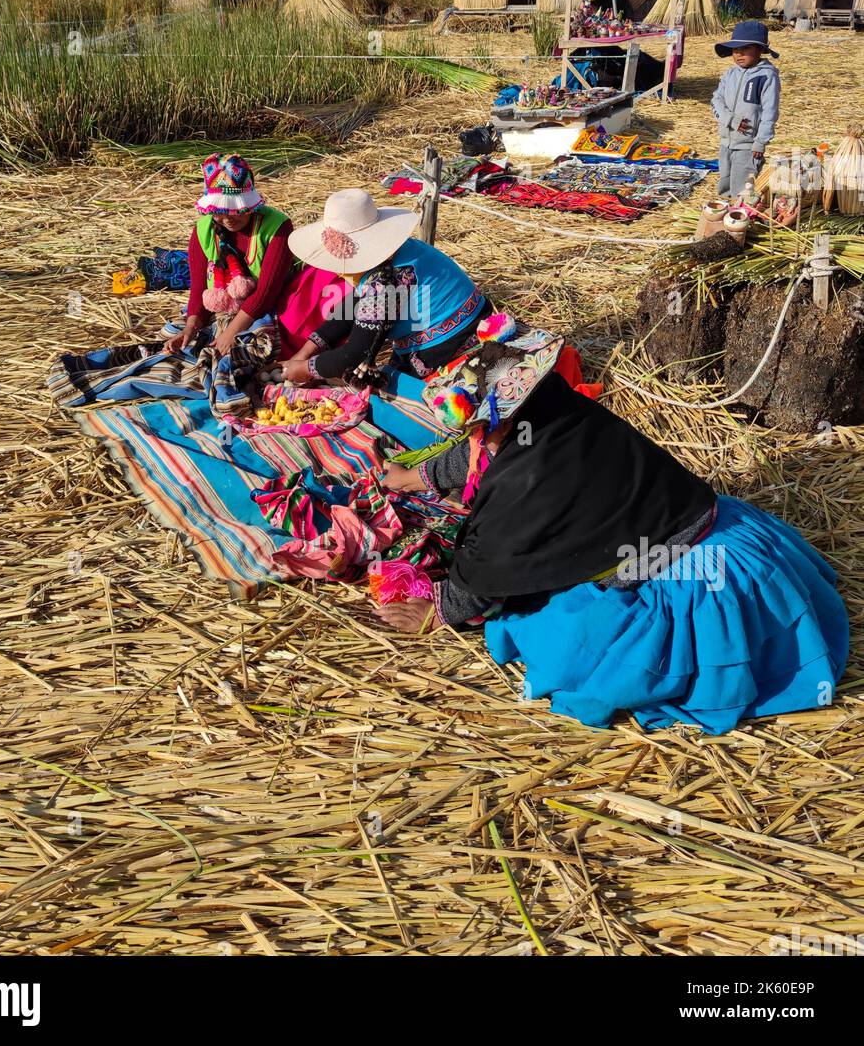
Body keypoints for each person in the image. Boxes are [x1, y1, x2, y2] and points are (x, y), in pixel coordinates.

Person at [376, 329, 848, 735]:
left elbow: (491, 561)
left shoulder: (529, 476)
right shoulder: (548, 409)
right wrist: (410, 477)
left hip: (682, 568)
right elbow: (481, 453)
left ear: (500, 418)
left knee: (563, 642)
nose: (477, 435)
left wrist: (440, 607)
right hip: (698, 516)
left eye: (481, 425)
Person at [281, 187, 490, 384]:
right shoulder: (399, 252)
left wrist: (306, 369)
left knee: (381, 390)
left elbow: (353, 356)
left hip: (450, 342)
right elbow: (350, 309)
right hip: (473, 318)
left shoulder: (383, 283)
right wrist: (303, 353)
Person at [163, 154, 341, 361]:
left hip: (271, 308)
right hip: (223, 308)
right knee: (173, 340)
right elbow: (198, 288)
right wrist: (191, 327)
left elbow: (266, 292)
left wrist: (230, 333)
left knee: (247, 351)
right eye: (219, 212)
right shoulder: (202, 230)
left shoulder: (278, 227)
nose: (227, 219)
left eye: (235, 210)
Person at [711, 20, 781, 200]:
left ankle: (741, 219)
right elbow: (716, 100)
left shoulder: (766, 77)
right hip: (726, 141)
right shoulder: (730, 74)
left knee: (743, 188)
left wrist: (760, 142)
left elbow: (769, 113)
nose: (739, 54)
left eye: (745, 49)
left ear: (759, 50)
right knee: (725, 183)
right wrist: (731, 120)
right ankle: (725, 218)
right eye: (735, 50)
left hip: (748, 146)